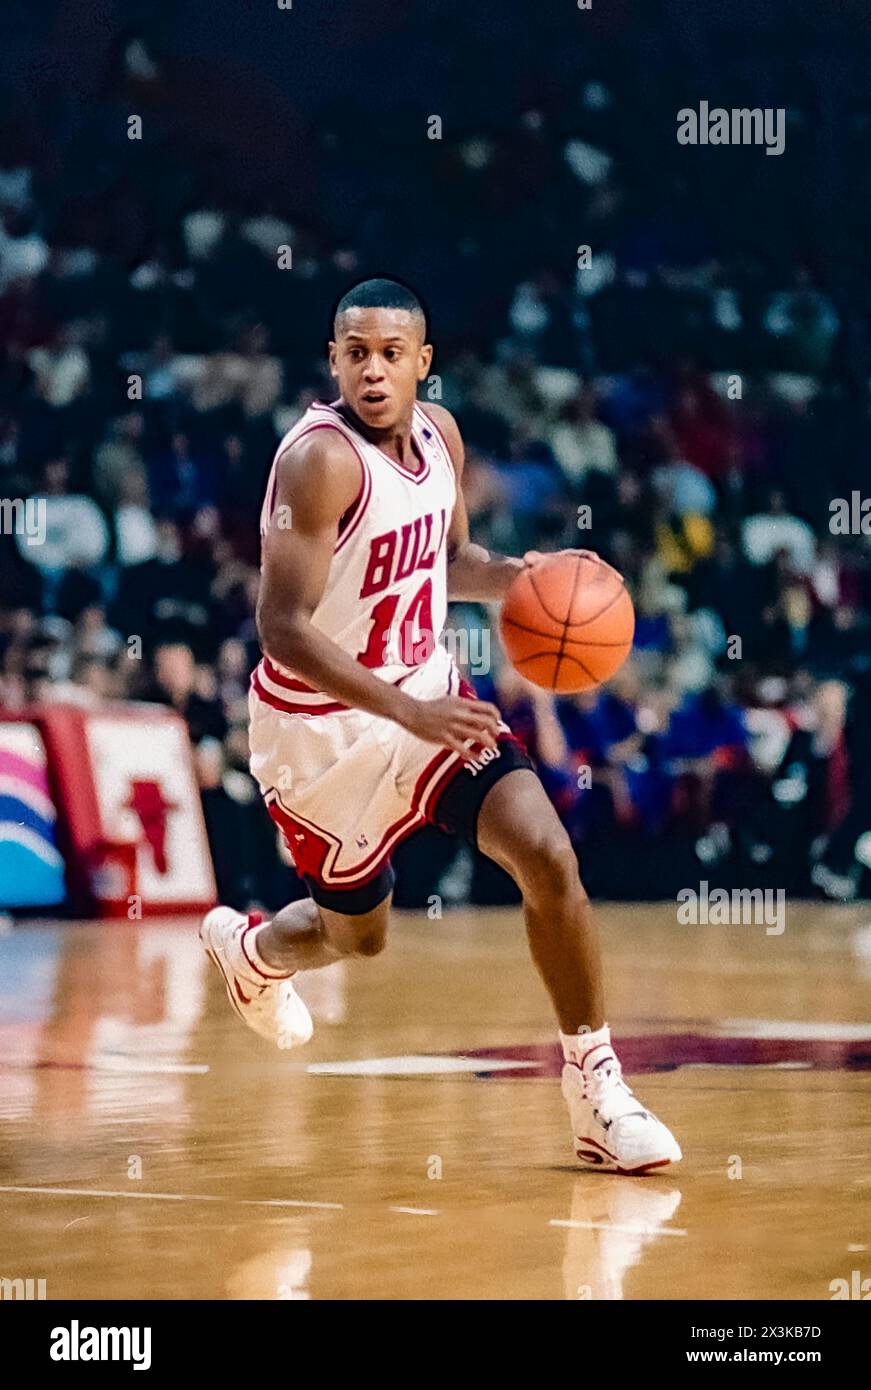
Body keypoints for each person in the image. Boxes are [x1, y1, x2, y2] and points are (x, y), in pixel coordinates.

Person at [200, 278, 681, 1175]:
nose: (373, 371)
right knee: (360, 936)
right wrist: (405, 709)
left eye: (391, 354)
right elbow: (283, 629)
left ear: (424, 363)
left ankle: (595, 1089)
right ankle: (256, 951)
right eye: (355, 353)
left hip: (426, 694)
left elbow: (446, 560)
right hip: (321, 734)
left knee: (546, 853)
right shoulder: (318, 461)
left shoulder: (440, 438)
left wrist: (520, 582)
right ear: (334, 359)